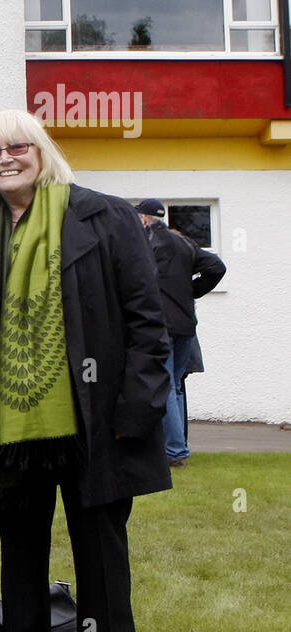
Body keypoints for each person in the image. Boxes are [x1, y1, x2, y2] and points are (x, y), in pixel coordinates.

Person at [0, 109, 170, 632]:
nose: (5, 159)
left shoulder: (103, 214)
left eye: (17, 147)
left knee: (100, 544)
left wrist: (138, 408)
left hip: (95, 412)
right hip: (13, 413)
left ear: (42, 150)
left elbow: (145, 319)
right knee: (19, 542)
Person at [134, 198, 226, 469]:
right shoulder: (184, 242)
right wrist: (192, 290)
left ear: (144, 218)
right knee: (174, 386)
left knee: (163, 386)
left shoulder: (144, 244)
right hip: (186, 325)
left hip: (159, 325)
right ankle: (177, 446)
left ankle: (173, 451)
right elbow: (217, 268)